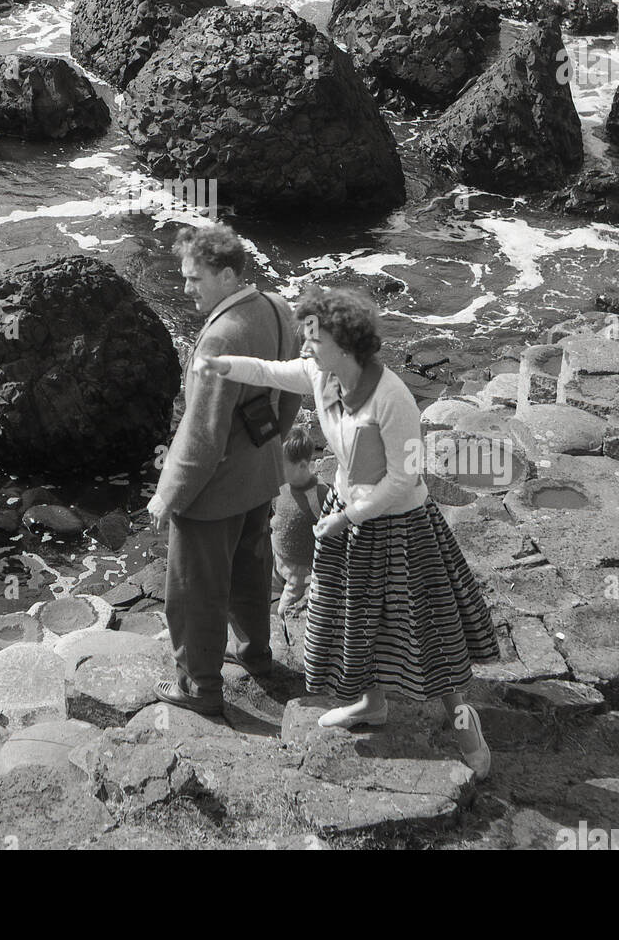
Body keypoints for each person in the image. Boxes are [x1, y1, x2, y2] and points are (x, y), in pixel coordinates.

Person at [196, 286, 499, 778]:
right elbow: (270, 372)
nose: (305, 345)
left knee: (427, 634)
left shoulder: (393, 397)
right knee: (355, 623)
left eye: (313, 337)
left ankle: (466, 727)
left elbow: (404, 478)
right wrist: (220, 363)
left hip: (400, 525)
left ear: (345, 343)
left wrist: (346, 518)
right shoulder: (322, 373)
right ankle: (370, 704)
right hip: (347, 514)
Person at [147, 223, 302, 716]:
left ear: (229, 275)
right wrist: (272, 437)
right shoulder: (278, 307)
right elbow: (293, 387)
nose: (186, 288)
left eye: (195, 279)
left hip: (214, 492)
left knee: (195, 590)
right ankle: (256, 655)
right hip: (259, 474)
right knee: (250, 573)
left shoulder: (220, 337)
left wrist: (168, 495)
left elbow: (202, 436)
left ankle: (200, 689)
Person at [272, 423, 330, 618]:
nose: (277, 470)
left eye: (282, 466)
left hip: (300, 570)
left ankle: (287, 641)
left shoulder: (320, 494)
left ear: (303, 465)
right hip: (277, 558)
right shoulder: (282, 485)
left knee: (284, 612)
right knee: (267, 601)